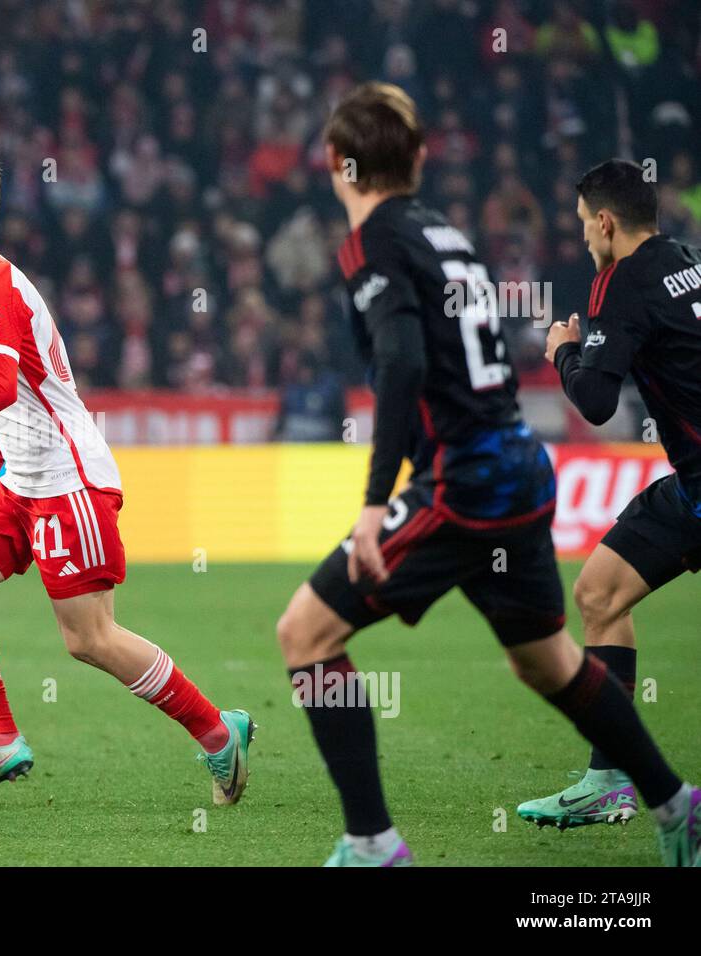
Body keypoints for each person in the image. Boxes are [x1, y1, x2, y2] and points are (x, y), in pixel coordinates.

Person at [275, 83, 699, 866]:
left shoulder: (372, 244)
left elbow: (400, 363)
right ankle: (674, 804)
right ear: (421, 159)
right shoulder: (447, 233)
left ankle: (371, 841)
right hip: (518, 469)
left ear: (340, 165)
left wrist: (376, 505)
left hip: (465, 483)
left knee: (304, 633)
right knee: (549, 659)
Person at [0, 149, 253, 806]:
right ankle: (0, 739)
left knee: (88, 639)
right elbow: (27, 388)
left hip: (69, 484)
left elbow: (4, 386)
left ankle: (217, 735)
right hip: (25, 480)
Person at [521, 159, 701, 835]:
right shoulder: (689, 258)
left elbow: (595, 402)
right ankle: (608, 779)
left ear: (604, 221)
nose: (580, 237)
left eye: (580, 223)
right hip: (691, 490)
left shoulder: (619, 282)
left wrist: (563, 351)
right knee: (600, 593)